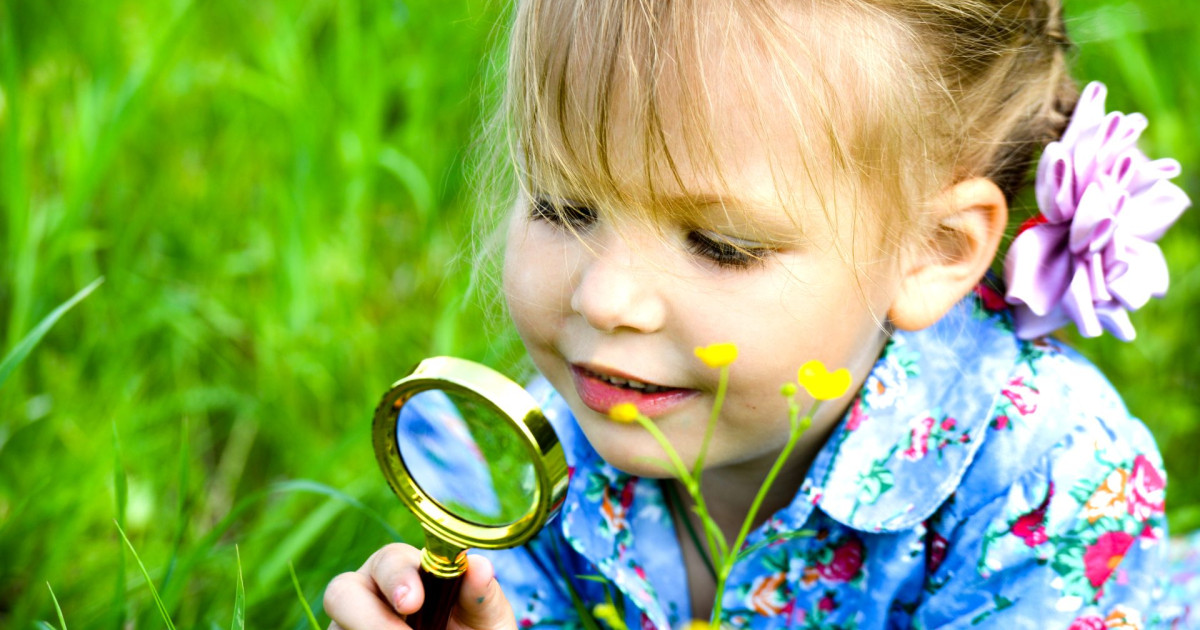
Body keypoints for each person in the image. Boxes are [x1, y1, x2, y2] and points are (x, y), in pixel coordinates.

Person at [324, 0, 1192, 627]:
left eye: (722, 246)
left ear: (935, 249)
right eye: (562, 206)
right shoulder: (575, 435)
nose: (604, 298)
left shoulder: (1048, 480)